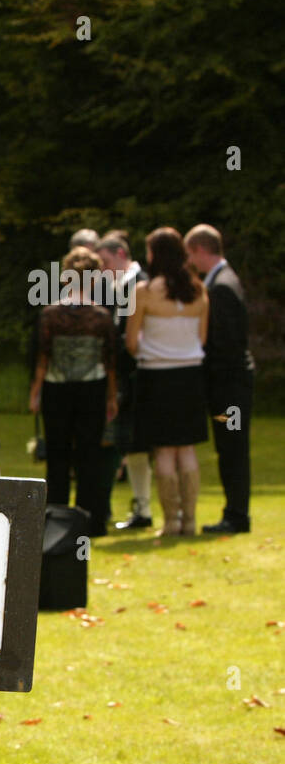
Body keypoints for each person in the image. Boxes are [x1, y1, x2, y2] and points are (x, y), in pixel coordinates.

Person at [28, 247, 118, 536]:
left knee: (57, 455)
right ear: (93, 280)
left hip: (57, 389)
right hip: (92, 388)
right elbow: (110, 361)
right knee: (89, 455)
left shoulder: (50, 314)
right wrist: (112, 396)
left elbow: (43, 357)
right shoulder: (101, 316)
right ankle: (89, 521)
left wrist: (35, 392)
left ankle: (55, 519)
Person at [126, 227, 209, 536]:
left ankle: (171, 520)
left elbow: (131, 341)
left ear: (155, 255)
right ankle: (190, 519)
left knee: (163, 451)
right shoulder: (199, 291)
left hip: (157, 376)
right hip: (190, 376)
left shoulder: (144, 292)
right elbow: (201, 337)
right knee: (186, 449)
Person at [184, 224, 254, 534]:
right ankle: (235, 512)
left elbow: (226, 343)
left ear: (200, 249)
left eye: (190, 254)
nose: (190, 262)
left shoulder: (222, 287)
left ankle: (237, 516)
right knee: (229, 449)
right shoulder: (223, 281)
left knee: (233, 449)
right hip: (230, 385)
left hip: (231, 388)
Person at [96, 232, 152, 530]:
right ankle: (140, 507)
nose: (102, 268)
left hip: (136, 373)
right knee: (130, 444)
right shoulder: (117, 283)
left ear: (120, 253)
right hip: (124, 374)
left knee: (138, 442)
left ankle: (143, 508)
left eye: (105, 261)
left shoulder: (138, 281)